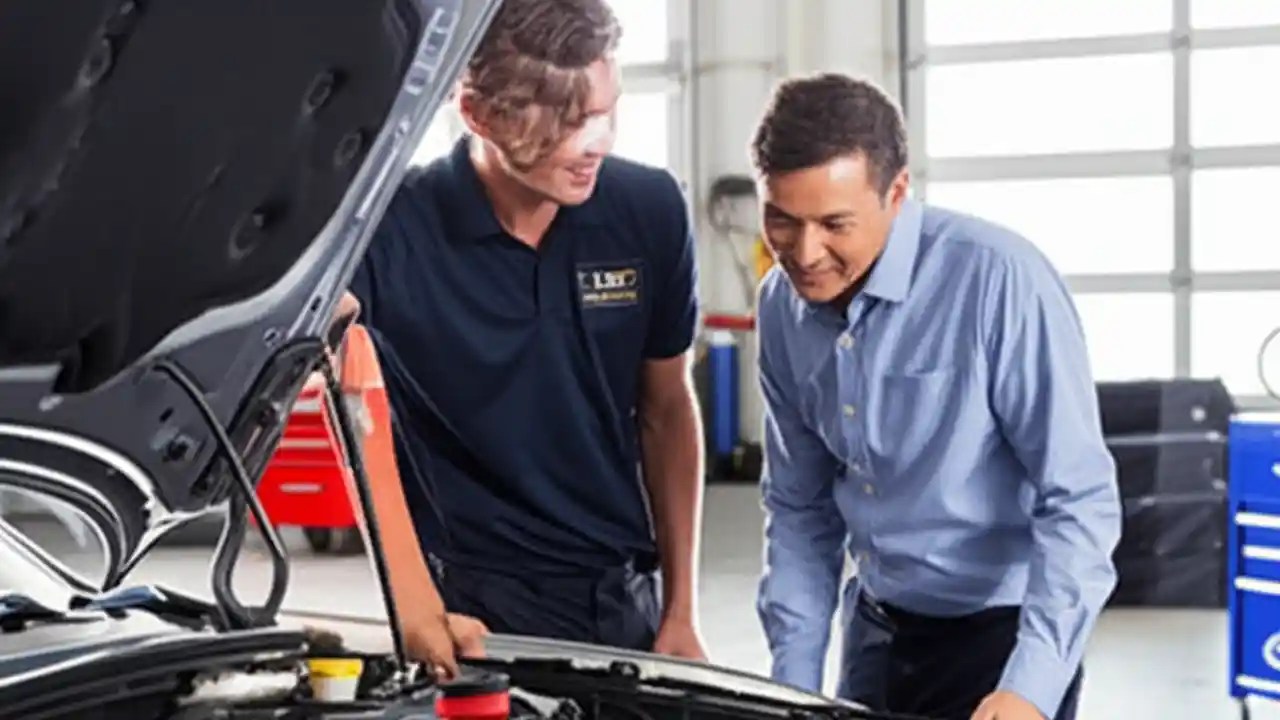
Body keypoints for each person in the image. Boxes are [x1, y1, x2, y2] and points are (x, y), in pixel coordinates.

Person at [345, 0, 708, 668]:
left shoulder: (650, 210)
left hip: (627, 596)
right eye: (571, 123)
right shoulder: (388, 231)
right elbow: (352, 411)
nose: (598, 141)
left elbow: (666, 407)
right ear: (478, 113)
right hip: (474, 609)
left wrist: (681, 608)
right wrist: (410, 596)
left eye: (608, 109)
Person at [750, 72, 1122, 720]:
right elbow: (800, 507)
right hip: (875, 629)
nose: (805, 253)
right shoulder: (782, 307)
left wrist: (1030, 688)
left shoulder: (999, 282)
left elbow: (1080, 499)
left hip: (1002, 640)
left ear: (897, 193)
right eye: (782, 219)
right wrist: (793, 688)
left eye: (835, 223)